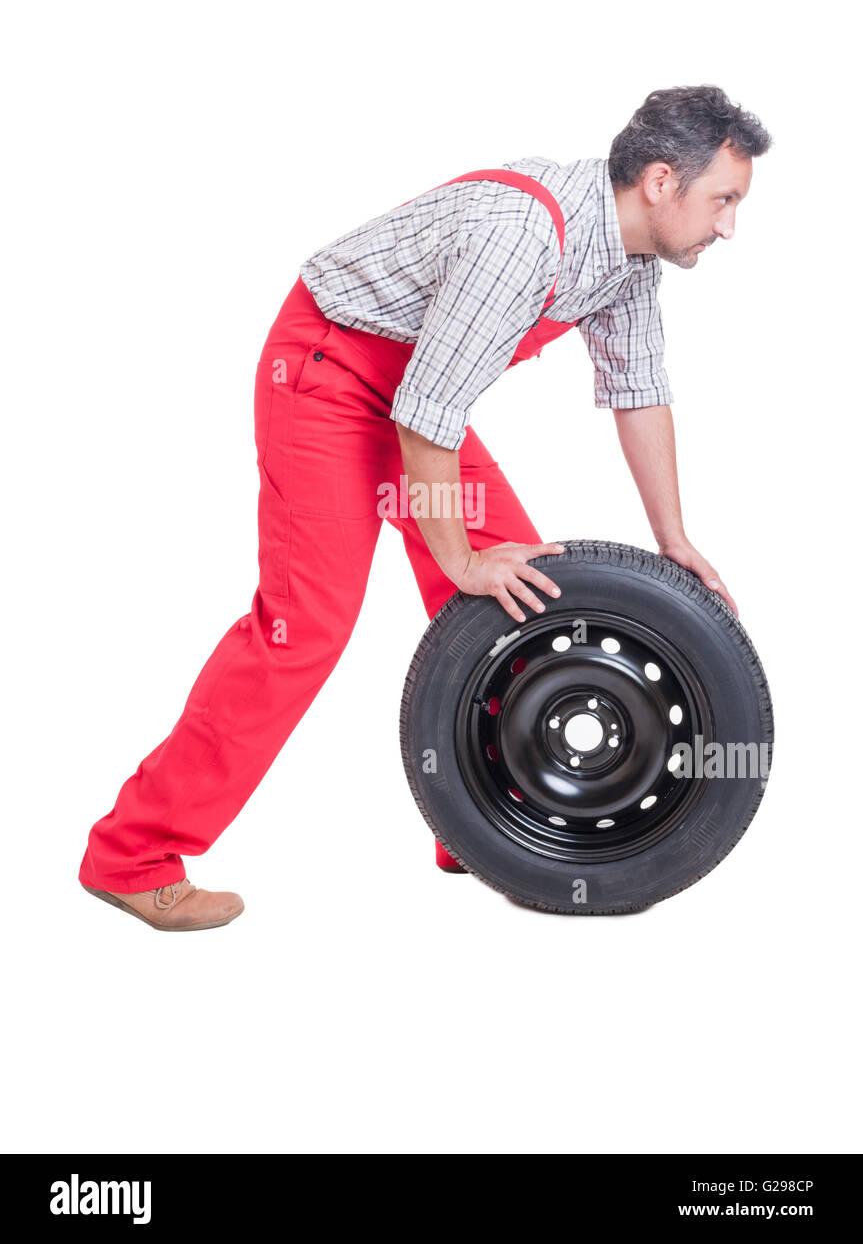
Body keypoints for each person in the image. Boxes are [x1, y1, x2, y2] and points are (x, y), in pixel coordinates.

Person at [78, 83, 772, 931]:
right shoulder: (526, 235)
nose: (729, 225)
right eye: (723, 200)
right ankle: (131, 855)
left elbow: (638, 392)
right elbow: (427, 416)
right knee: (307, 629)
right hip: (328, 379)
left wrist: (675, 541)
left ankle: (479, 825)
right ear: (662, 181)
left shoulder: (625, 259)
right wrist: (459, 558)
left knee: (521, 598)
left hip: (409, 396)